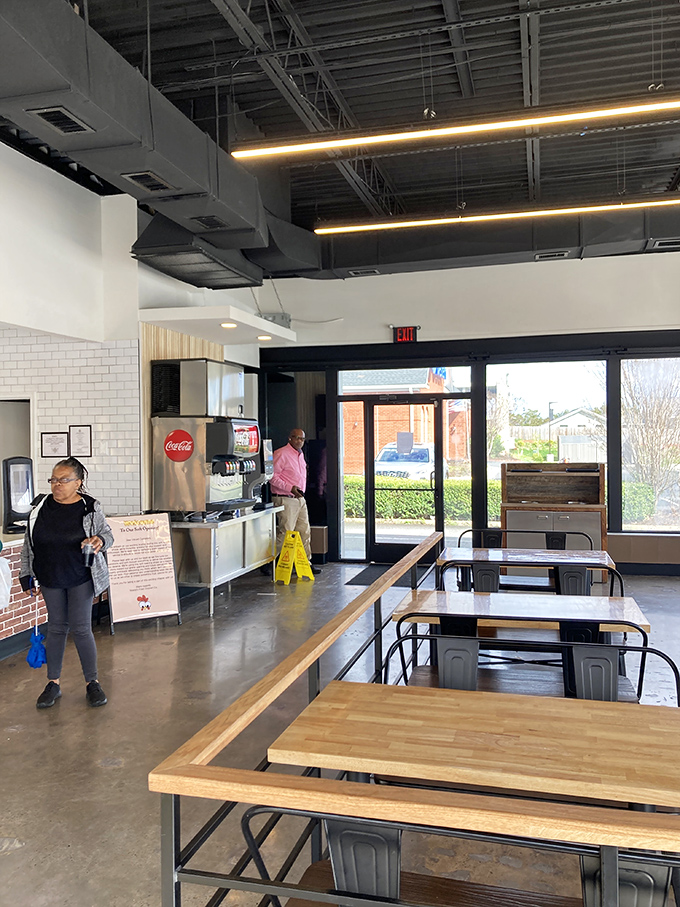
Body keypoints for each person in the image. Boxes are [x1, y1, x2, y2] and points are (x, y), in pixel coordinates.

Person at [20, 457, 114, 709]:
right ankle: (53, 683)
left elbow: (107, 535)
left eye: (63, 480)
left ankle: (92, 682)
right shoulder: (39, 507)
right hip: (50, 576)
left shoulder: (90, 507)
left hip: (81, 575)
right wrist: (26, 572)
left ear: (78, 482)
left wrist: (99, 541)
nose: (57, 485)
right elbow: (28, 543)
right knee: (57, 628)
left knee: (81, 628)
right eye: (53, 479)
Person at [271, 428, 321, 575]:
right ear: (289, 438)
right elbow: (272, 477)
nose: (299, 441)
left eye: (302, 438)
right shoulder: (281, 453)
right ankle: (269, 561)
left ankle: (305, 562)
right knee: (286, 533)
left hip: (300, 499)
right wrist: (289, 488)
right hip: (285, 498)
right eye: (296, 438)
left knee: (304, 531)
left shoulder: (300, 454)